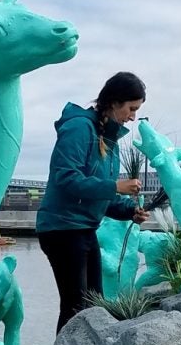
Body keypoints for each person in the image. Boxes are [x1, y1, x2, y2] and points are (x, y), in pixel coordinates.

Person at [36, 71, 150, 331]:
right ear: (114, 102)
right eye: (132, 108)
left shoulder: (110, 139)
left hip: (84, 229)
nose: (133, 117)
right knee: (75, 307)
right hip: (61, 228)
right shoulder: (79, 127)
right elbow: (66, 178)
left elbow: (98, 196)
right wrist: (115, 186)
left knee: (94, 305)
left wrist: (130, 210)